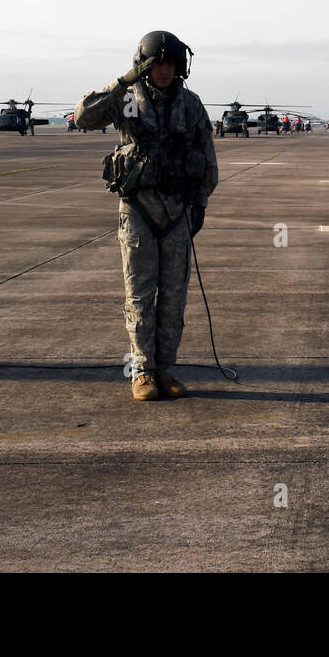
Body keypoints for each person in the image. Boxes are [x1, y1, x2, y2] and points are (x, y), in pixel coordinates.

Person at [75, 30, 218, 402]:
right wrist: (124, 81)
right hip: (138, 209)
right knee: (139, 295)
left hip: (177, 211)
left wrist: (200, 202)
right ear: (145, 65)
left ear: (180, 67)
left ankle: (165, 369)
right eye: (157, 64)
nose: (165, 71)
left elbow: (207, 157)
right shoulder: (127, 100)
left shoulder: (191, 105)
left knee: (173, 297)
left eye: (171, 64)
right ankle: (142, 372)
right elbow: (83, 117)